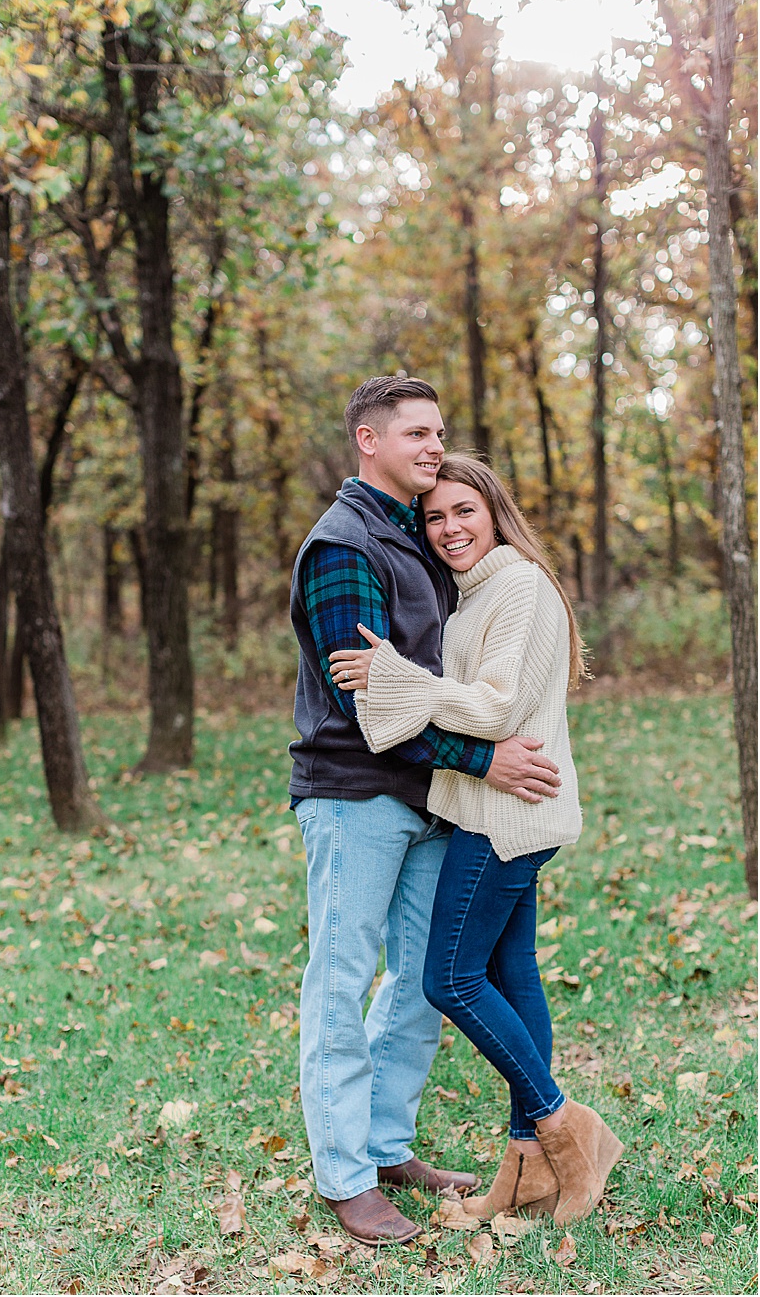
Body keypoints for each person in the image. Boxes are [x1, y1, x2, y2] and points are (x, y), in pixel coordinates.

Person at [286, 376, 566, 1245]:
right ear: (368, 441)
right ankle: (343, 1176)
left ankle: (385, 1144)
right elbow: (371, 709)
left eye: (439, 431)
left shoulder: (416, 533)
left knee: (419, 980)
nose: (433, 446)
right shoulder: (343, 547)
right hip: (355, 793)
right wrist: (483, 760)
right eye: (415, 433)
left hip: (433, 798)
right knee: (341, 977)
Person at [330, 453, 621, 1225]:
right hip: (495, 811)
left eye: (465, 510)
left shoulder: (518, 585)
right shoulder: (480, 590)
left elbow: (490, 711)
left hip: (504, 818)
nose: (450, 528)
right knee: (512, 971)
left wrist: (393, 676)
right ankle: (528, 1164)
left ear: (495, 511)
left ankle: (565, 1127)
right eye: (435, 517)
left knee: (449, 979)